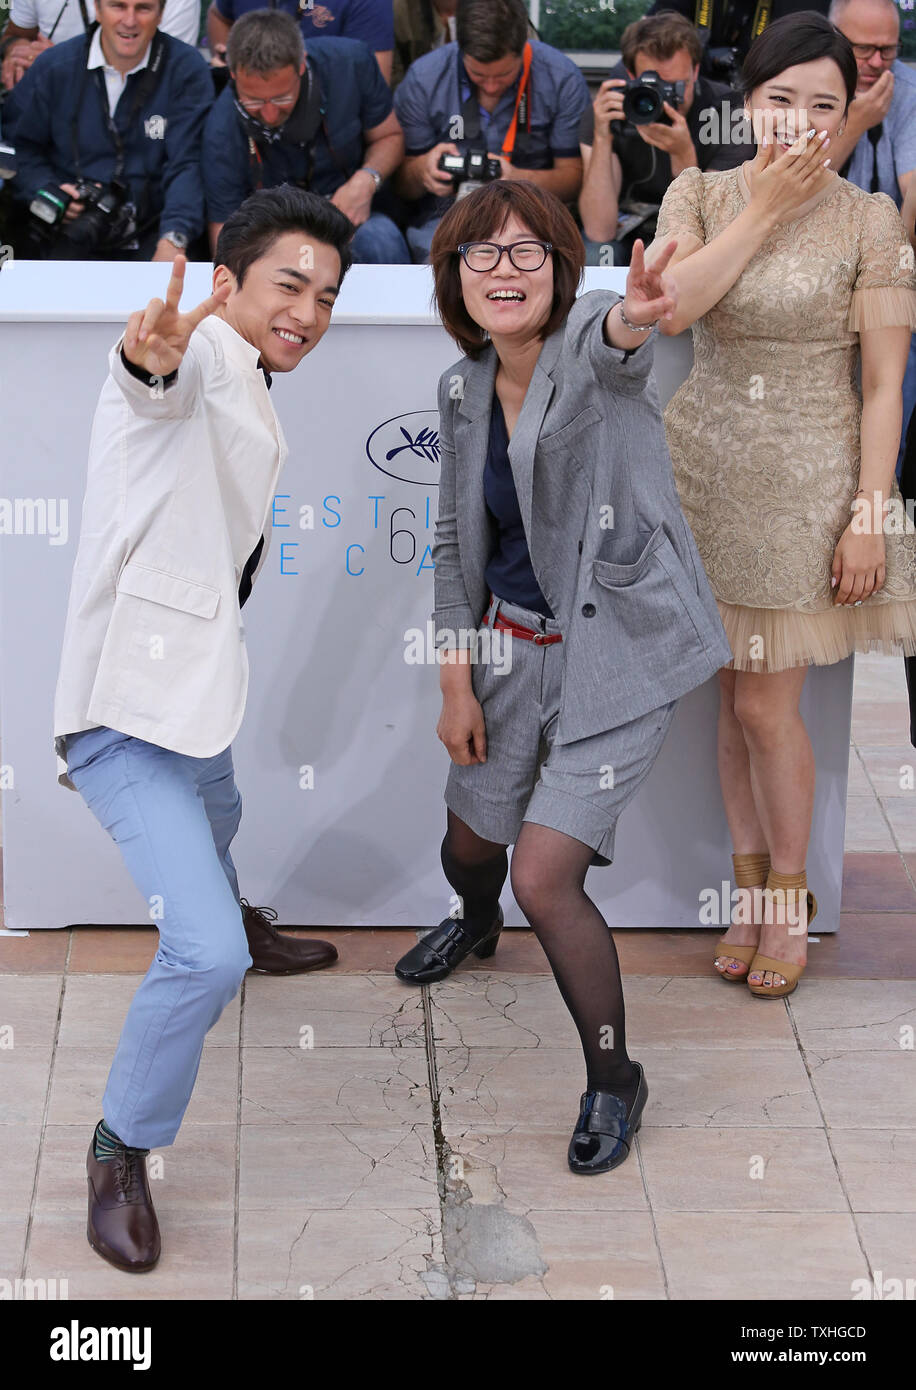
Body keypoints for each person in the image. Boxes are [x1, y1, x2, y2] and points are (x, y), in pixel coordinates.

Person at [394, 178, 733, 1175]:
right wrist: (455, 681)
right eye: (481, 254)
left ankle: (611, 1075)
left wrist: (634, 312)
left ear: (560, 267)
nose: (505, 269)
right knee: (469, 842)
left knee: (547, 875)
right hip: (509, 647)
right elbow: (458, 536)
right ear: (456, 277)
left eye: (526, 251)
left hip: (618, 655)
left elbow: (619, 344)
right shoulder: (459, 389)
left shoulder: (590, 346)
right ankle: (470, 917)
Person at [53, 186, 352, 1270]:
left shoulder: (254, 371)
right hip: (123, 716)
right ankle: (119, 1144)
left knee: (221, 809)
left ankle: (241, 915)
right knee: (202, 953)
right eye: (289, 285)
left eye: (326, 295)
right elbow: (156, 384)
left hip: (193, 695)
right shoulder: (207, 355)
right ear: (225, 284)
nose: (309, 311)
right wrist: (152, 356)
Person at [647, 12, 916, 996]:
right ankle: (748, 889)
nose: (799, 124)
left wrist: (869, 512)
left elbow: (885, 384)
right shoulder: (699, 193)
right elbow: (672, 304)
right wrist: (760, 209)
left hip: (808, 486)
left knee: (766, 701)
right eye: (778, 102)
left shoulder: (868, 219)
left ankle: (786, 902)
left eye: (823, 106)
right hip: (702, 473)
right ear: (744, 103)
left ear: (850, 114)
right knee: (729, 694)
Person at [4, 0, 212, 260]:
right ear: (98, 10)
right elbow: (17, 146)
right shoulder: (54, 66)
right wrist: (46, 190)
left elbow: (188, 162)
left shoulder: (186, 69)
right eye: (118, 6)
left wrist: (175, 236)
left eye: (143, 8)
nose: (129, 20)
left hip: (154, 231)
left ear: (160, 15)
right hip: (67, 231)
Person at [202, 9, 409, 262]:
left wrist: (367, 180)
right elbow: (223, 235)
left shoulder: (351, 63)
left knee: (383, 241)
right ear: (232, 74)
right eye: (254, 101)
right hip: (270, 232)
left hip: (353, 217)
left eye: (281, 98)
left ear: (301, 65)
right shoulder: (220, 128)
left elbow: (390, 137)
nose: (268, 114)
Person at [393, 0, 589, 263]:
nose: (492, 86)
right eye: (479, 75)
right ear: (459, 50)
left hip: (534, 214)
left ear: (524, 48)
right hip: (446, 215)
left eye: (504, 75)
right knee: (443, 265)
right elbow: (400, 185)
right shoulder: (424, 78)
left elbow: (573, 177)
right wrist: (422, 170)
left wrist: (517, 177)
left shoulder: (561, 78)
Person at [578, 10, 753, 265]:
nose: (663, 98)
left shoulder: (730, 112)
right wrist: (602, 137)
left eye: (675, 87)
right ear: (630, 75)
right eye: (653, 87)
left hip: (691, 231)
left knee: (680, 260)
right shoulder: (610, 110)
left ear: (695, 71)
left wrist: (683, 155)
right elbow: (598, 230)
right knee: (598, 254)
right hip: (627, 225)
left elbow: (712, 225)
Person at [827, 0, 916, 476]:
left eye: (889, 50)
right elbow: (790, 186)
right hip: (812, 276)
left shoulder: (908, 90)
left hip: (887, 277)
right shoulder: (802, 86)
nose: (879, 64)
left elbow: (912, 197)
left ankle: (877, 512)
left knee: (891, 395)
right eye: (864, 50)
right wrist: (855, 121)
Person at [0, 0, 201, 90]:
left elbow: (166, 75)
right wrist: (17, 51)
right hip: (49, 112)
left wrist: (58, 64)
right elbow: (14, 35)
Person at [206, 0, 394, 84]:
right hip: (250, 107)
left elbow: (375, 83)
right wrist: (229, 62)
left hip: (324, 123)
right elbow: (218, 14)